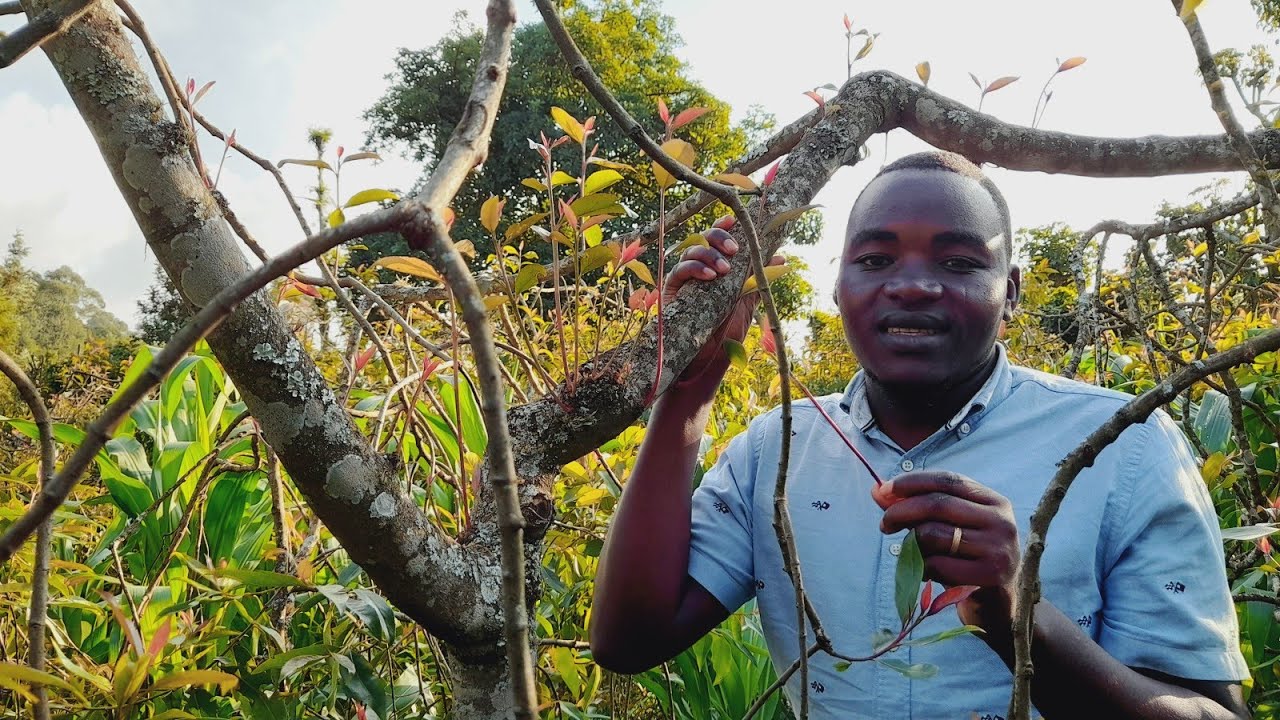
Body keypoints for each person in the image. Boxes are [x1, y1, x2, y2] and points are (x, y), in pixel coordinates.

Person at [589, 151, 1251, 718]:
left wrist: (1014, 615)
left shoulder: (1124, 446)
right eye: (875, 259)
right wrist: (686, 389)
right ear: (838, 287)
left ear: (1011, 292)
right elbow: (628, 642)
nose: (911, 285)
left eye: (961, 262)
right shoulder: (777, 449)